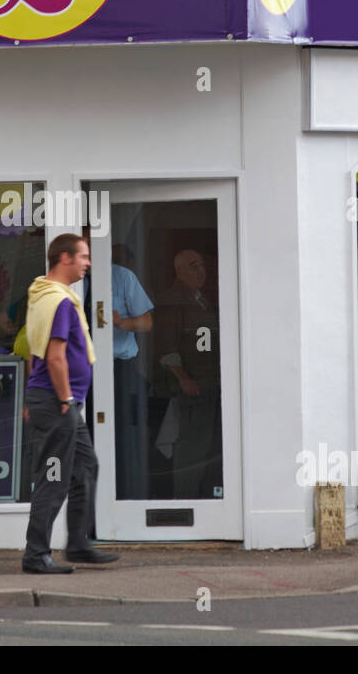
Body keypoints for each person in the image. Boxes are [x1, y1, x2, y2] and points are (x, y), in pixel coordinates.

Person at [20, 233, 119, 574]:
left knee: (86, 466)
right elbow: (54, 357)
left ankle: (77, 543)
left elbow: (32, 352)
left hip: (58, 401)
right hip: (59, 401)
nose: (88, 263)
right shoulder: (58, 301)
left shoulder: (44, 296)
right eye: (83, 257)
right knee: (54, 477)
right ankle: (35, 556)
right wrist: (64, 400)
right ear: (64, 258)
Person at [156, 249, 222, 499]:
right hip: (193, 388)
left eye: (202, 265)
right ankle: (185, 499)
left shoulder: (200, 298)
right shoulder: (172, 300)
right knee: (191, 448)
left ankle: (204, 498)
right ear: (179, 271)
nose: (201, 271)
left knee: (207, 447)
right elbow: (166, 345)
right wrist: (183, 377)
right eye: (194, 266)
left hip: (210, 383)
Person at [111, 245, 153, 499]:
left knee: (122, 435)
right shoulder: (69, 281)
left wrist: (121, 323)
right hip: (79, 368)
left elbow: (146, 322)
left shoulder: (122, 277)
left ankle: (125, 498)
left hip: (119, 370)